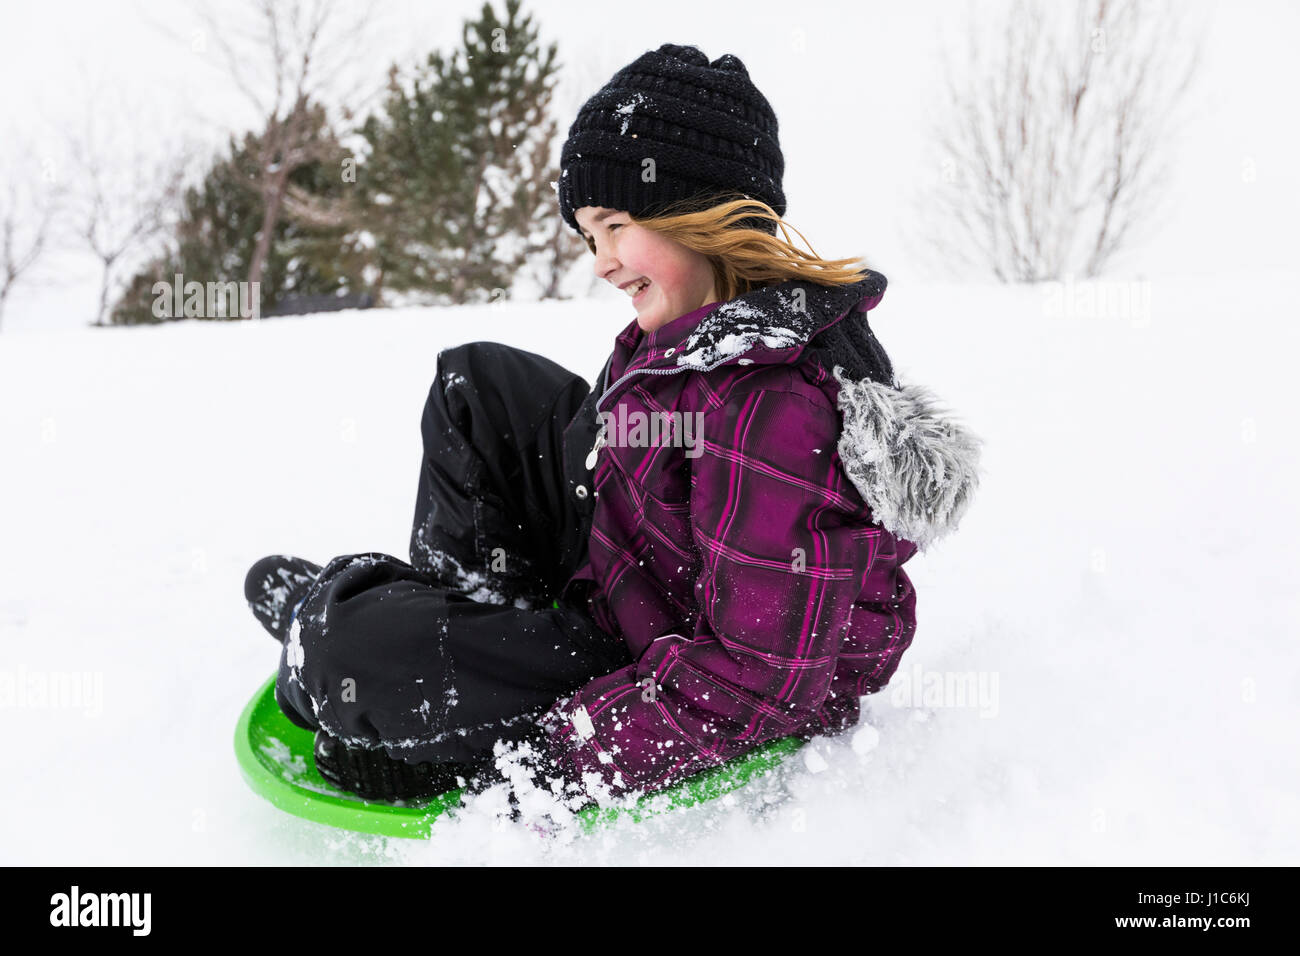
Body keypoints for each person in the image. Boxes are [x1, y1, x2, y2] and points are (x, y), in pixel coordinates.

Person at [244, 43, 983, 816]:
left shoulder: (772, 405)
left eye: (615, 226)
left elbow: (757, 682)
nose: (600, 262)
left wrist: (549, 764)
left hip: (667, 661)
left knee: (348, 652)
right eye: (588, 237)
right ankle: (462, 619)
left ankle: (376, 672)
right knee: (479, 385)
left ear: (703, 212)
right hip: (635, 562)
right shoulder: (699, 334)